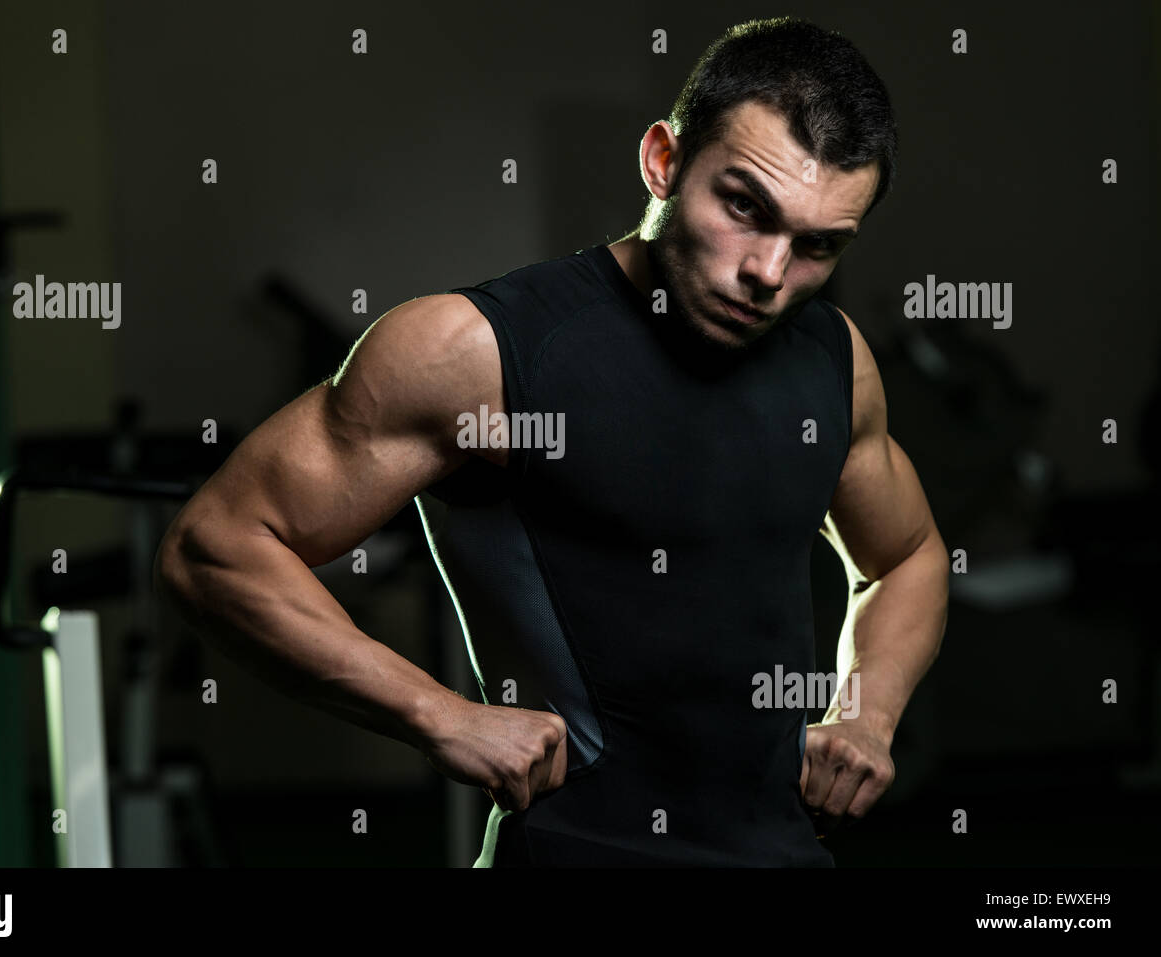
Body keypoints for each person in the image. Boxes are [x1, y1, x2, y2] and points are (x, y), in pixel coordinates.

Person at [154, 16, 949, 866]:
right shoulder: (477, 354)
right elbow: (217, 547)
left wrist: (868, 711)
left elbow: (907, 555)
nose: (768, 272)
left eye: (817, 245)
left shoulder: (834, 362)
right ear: (664, 162)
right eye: (746, 207)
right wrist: (438, 714)